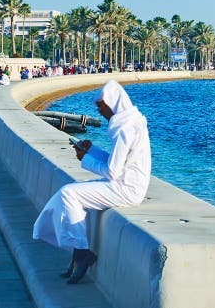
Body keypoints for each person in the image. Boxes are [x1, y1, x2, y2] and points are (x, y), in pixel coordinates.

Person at [33, 80, 152, 285]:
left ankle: (81, 253)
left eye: (102, 108)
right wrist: (93, 150)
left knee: (69, 193)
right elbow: (118, 162)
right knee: (70, 194)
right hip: (126, 183)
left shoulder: (125, 129)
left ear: (113, 105)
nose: (101, 113)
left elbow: (113, 171)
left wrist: (85, 159)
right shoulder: (131, 123)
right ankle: (78, 252)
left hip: (127, 189)